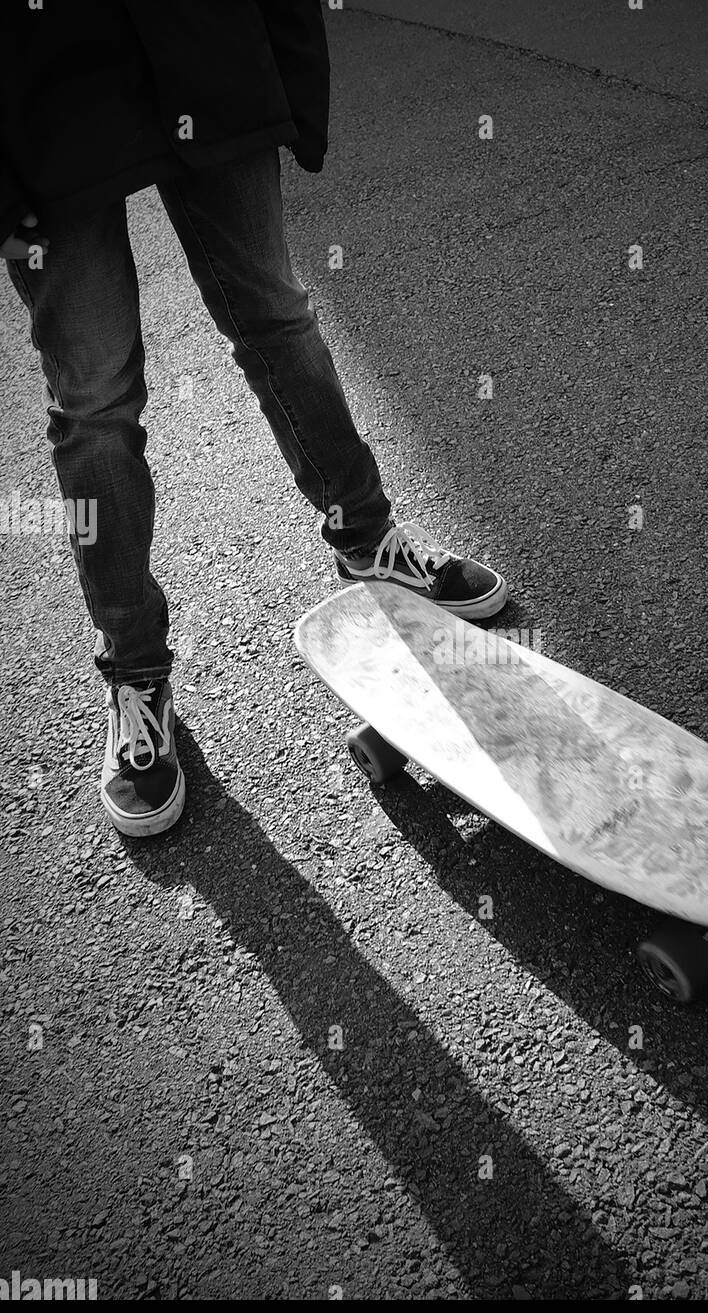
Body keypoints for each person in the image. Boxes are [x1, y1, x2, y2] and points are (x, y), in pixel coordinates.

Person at [1, 0, 507, 839]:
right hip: (44, 108)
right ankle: (135, 671)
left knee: (278, 320)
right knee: (95, 402)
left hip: (212, 60)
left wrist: (294, 82)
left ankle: (368, 543)